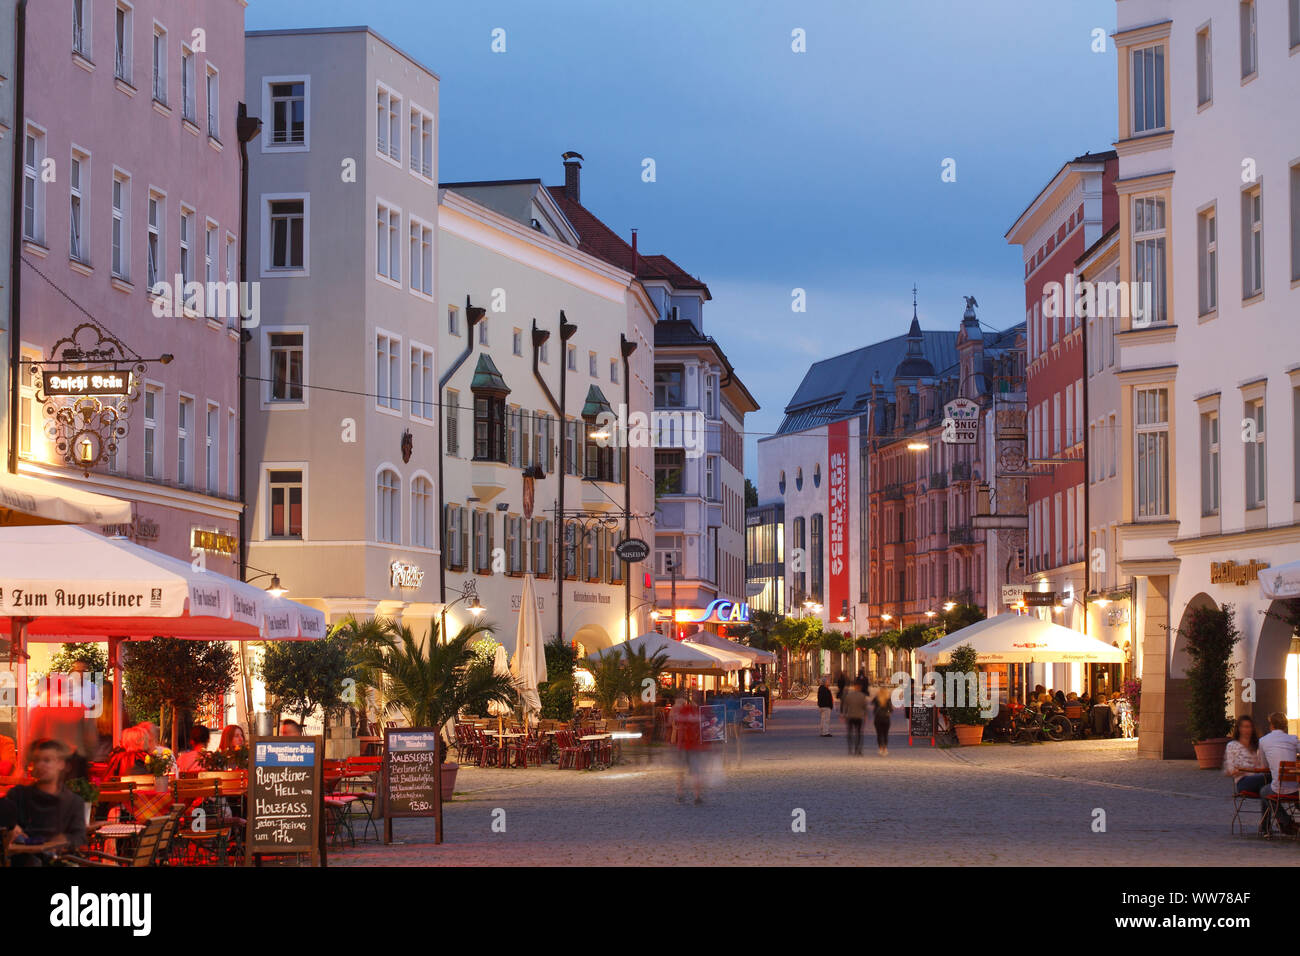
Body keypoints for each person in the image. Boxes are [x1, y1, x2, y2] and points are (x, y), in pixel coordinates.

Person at [0, 739, 87, 865]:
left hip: (59, 860)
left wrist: (63, 840)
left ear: (61, 764)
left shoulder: (73, 802)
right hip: (22, 860)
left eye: (47, 760)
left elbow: (80, 838)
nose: (40, 765)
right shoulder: (19, 795)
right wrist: (11, 827)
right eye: (37, 761)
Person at [1258, 712, 1299, 834]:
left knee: (1264, 791)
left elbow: (1263, 765)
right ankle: (1281, 824)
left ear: (1271, 725)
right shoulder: (1293, 739)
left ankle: (1285, 822)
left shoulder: (1263, 740)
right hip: (1296, 788)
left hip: (1278, 788)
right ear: (1285, 726)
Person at [670, 694, 705, 804]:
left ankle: (680, 795)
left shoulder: (682, 712)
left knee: (681, 772)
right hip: (694, 746)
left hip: (683, 746)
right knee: (696, 772)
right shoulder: (698, 713)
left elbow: (675, 725)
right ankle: (697, 797)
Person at [1223, 716, 1269, 795]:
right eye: (1244, 727)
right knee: (1274, 779)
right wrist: (1249, 769)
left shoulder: (1258, 745)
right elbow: (1230, 770)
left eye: (1249, 727)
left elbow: (1264, 765)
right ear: (1239, 729)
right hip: (1243, 781)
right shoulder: (1232, 746)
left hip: (1261, 777)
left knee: (1269, 788)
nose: (1247, 730)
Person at [841, 680, 868, 755]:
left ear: (854, 687)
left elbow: (845, 706)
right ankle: (858, 749)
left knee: (850, 733)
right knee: (859, 733)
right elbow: (865, 707)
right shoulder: (862, 696)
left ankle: (850, 748)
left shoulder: (849, 695)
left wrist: (843, 714)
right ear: (860, 687)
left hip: (850, 716)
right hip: (859, 717)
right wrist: (865, 715)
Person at [872, 685, 895, 756]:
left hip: (878, 718)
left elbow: (872, 703)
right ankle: (885, 749)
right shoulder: (888, 699)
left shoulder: (877, 698)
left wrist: (877, 696)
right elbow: (891, 710)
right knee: (885, 734)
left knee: (879, 734)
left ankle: (880, 748)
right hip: (886, 718)